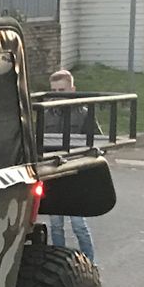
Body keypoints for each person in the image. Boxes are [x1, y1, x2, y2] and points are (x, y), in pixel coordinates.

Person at [44, 69, 96, 262]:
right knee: (56, 224)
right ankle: (60, 262)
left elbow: (96, 141)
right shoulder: (47, 114)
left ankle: (91, 261)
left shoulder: (83, 114)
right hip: (54, 172)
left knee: (78, 224)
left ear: (72, 89)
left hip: (74, 172)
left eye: (62, 89)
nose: (58, 94)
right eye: (54, 90)